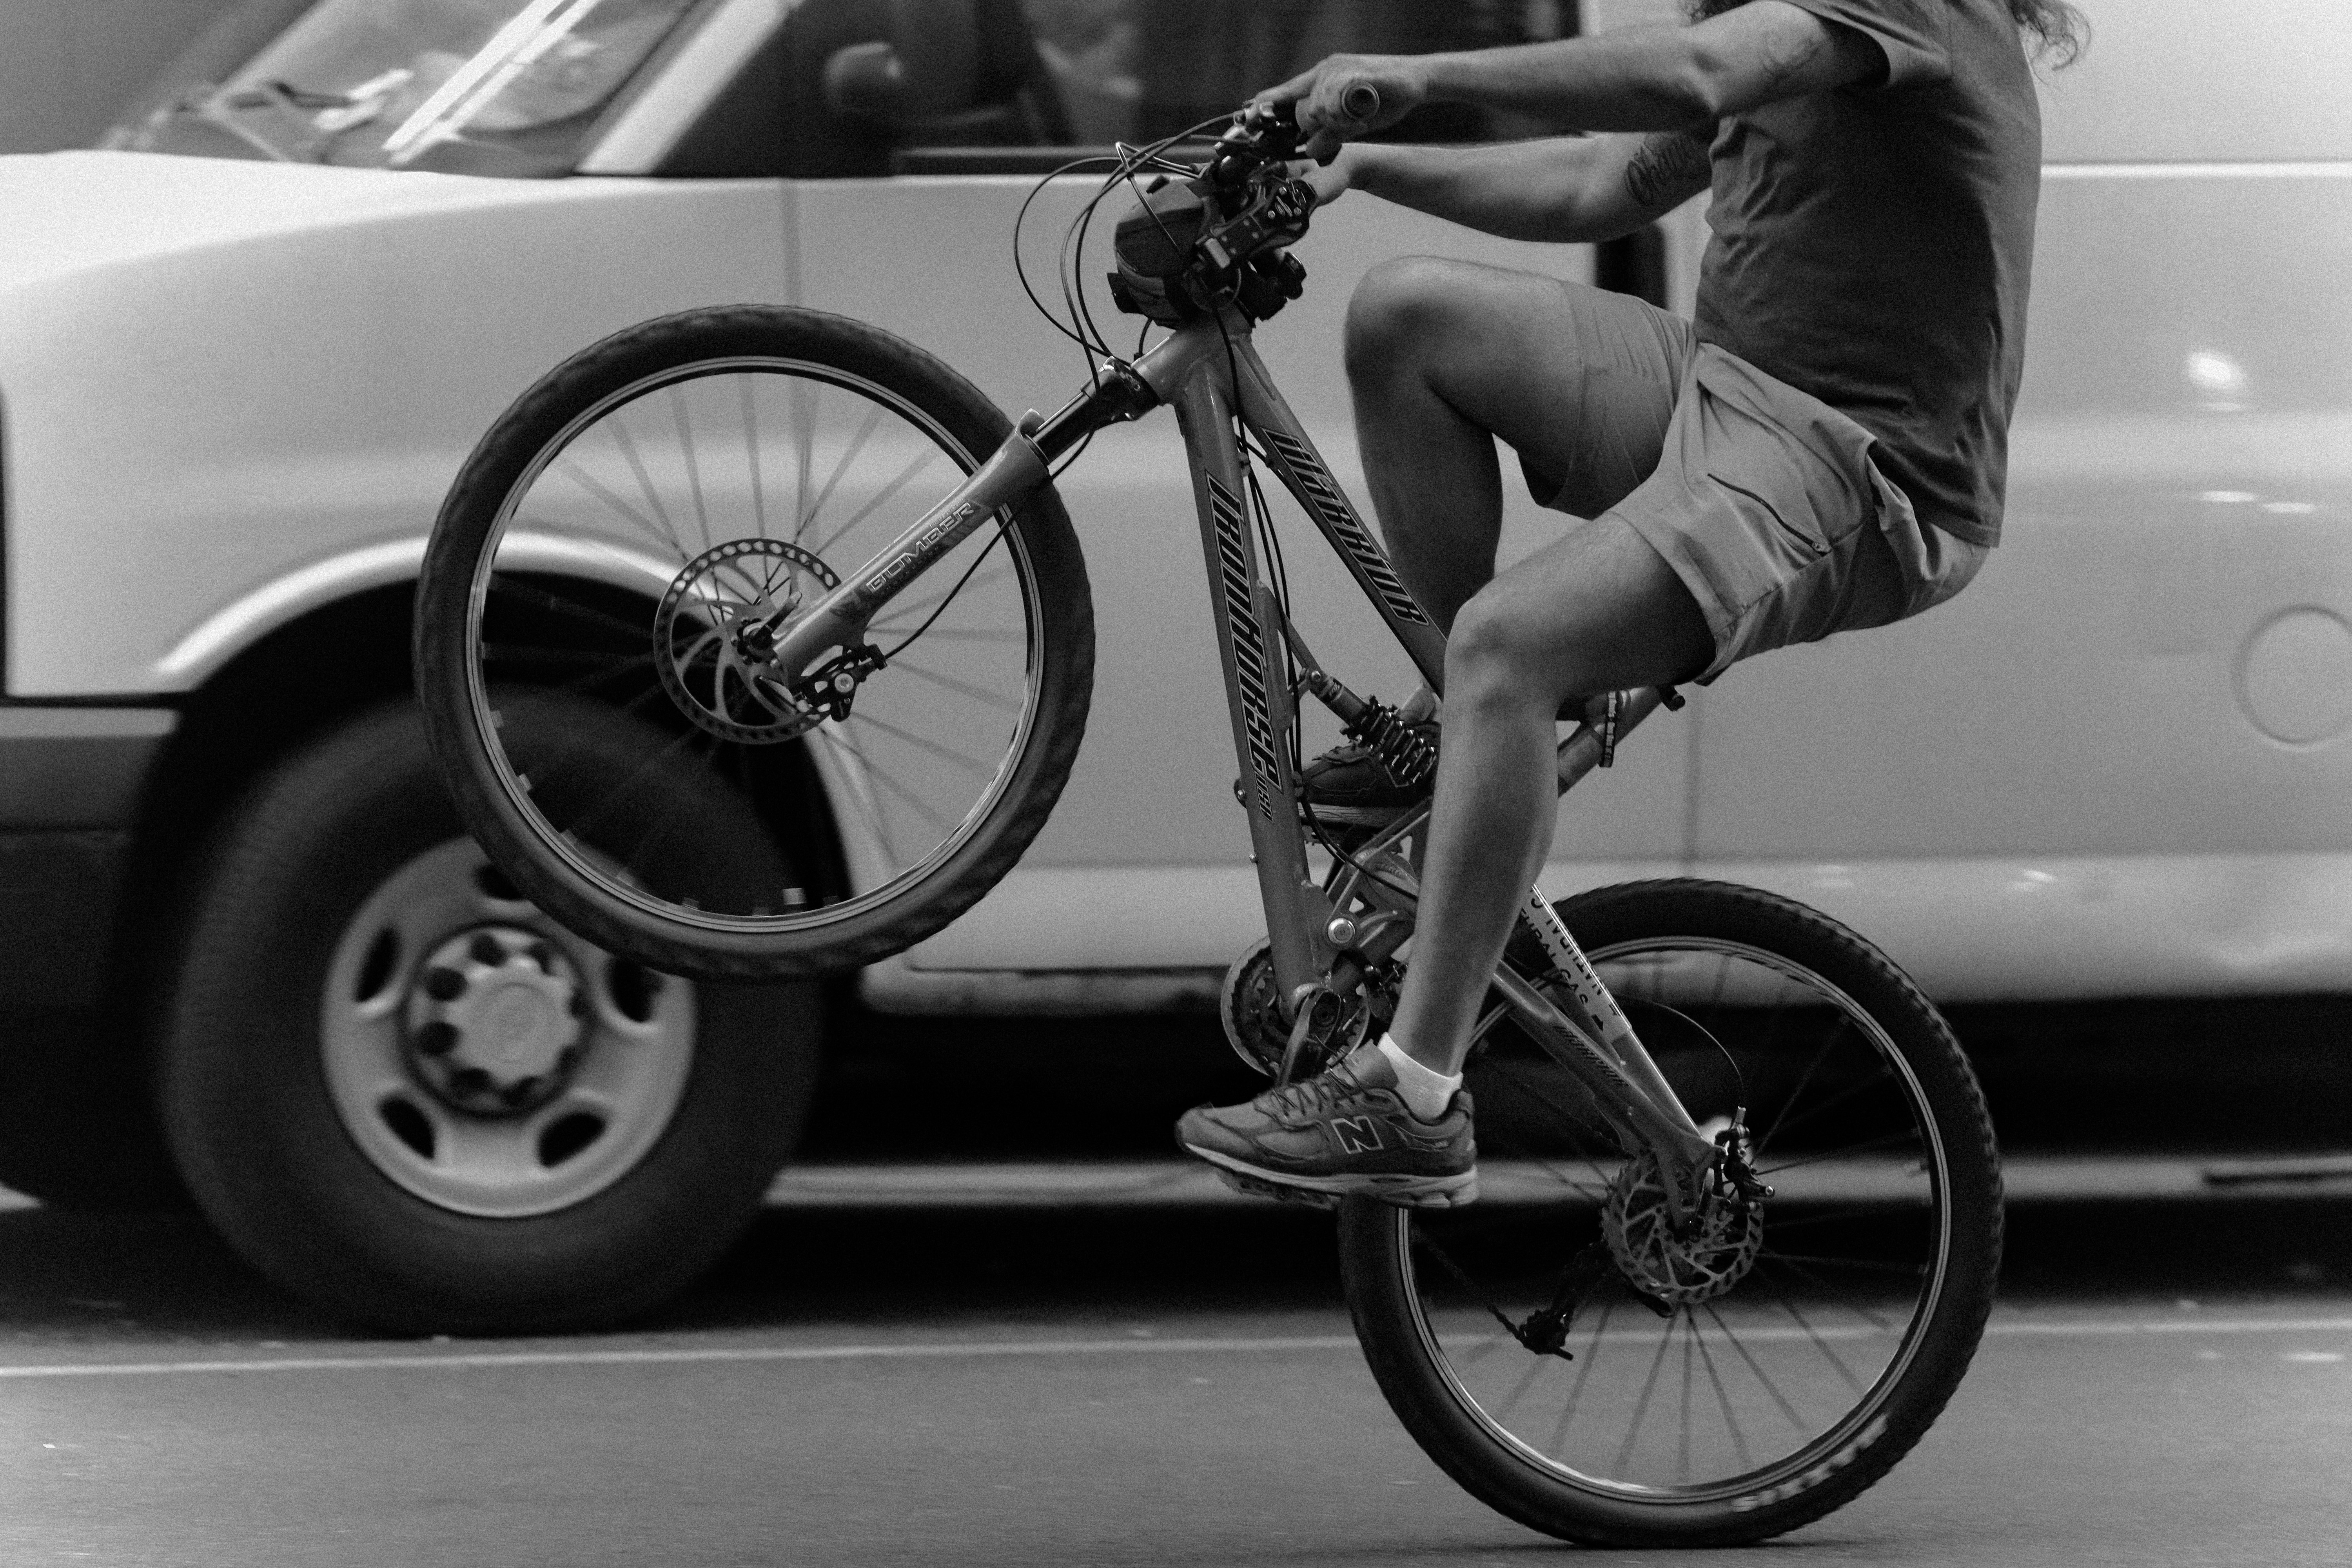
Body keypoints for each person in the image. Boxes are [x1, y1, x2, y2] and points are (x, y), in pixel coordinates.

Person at [1176, 0, 2082, 1207]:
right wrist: (1370, 165)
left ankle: (1414, 1096)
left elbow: (1695, 71)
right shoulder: (1777, 22)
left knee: (1509, 644)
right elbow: (1603, 182)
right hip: (1731, 389)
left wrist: (1419, 76)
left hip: (1862, 469)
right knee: (1406, 320)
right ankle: (1469, 733)